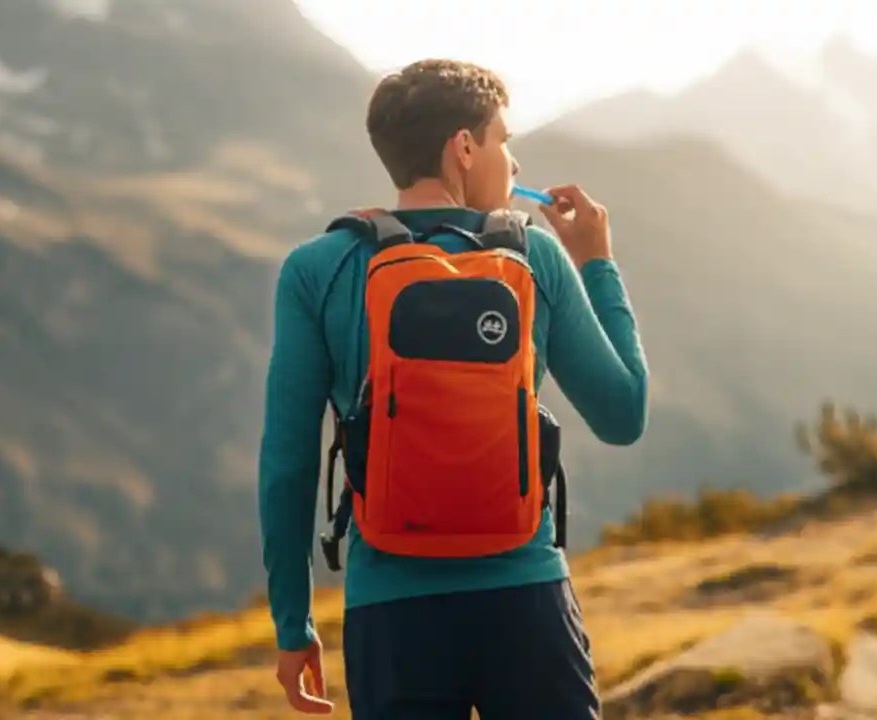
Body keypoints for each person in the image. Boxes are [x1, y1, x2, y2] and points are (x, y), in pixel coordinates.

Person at [256, 58, 649, 718]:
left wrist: (293, 627)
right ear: (463, 148)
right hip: (524, 598)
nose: (514, 164)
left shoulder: (316, 269)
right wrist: (597, 263)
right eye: (504, 139)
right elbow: (623, 414)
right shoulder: (535, 256)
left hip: (392, 611)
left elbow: (287, 465)